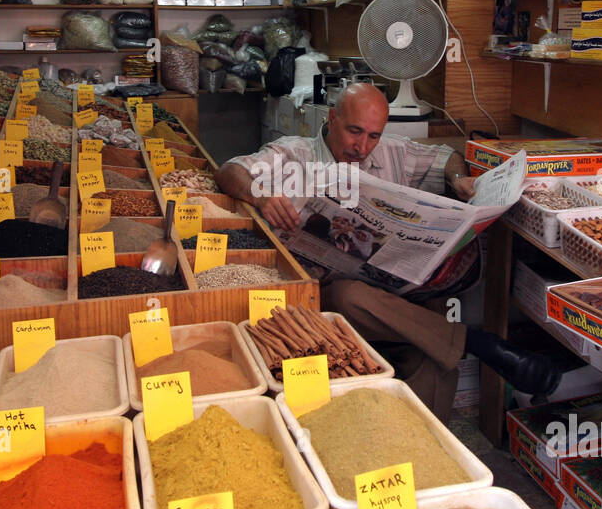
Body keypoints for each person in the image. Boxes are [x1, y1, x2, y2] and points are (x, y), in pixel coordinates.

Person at [216, 83, 560, 420]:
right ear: (332, 118)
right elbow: (229, 170)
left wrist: (457, 180)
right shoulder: (293, 153)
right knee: (349, 294)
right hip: (323, 301)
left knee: (433, 361)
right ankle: (476, 342)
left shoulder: (392, 151)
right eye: (354, 131)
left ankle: (421, 453)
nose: (362, 147)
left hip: (392, 300)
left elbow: (446, 158)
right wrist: (260, 196)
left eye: (373, 135)